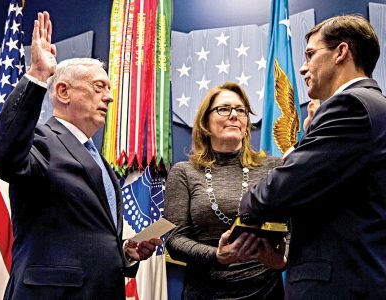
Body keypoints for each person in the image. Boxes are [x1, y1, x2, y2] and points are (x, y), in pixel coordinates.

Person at [0, 12, 161, 299]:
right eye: (98, 87)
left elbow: (87, 237)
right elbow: (1, 154)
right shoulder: (41, 140)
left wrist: (125, 252)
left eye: (109, 89)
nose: (109, 97)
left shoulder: (100, 161)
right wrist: (37, 76)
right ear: (64, 91)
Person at [239, 15, 386, 299]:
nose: (303, 68)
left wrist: (247, 209)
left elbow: (275, 194)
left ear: (341, 52)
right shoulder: (374, 107)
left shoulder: (350, 106)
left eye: (310, 54)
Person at [164, 81, 285, 299]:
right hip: (204, 293)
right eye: (224, 109)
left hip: (265, 292)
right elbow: (174, 239)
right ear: (205, 122)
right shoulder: (184, 172)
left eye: (241, 110)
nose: (234, 115)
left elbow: (295, 227)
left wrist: (282, 259)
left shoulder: (273, 168)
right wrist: (216, 256)